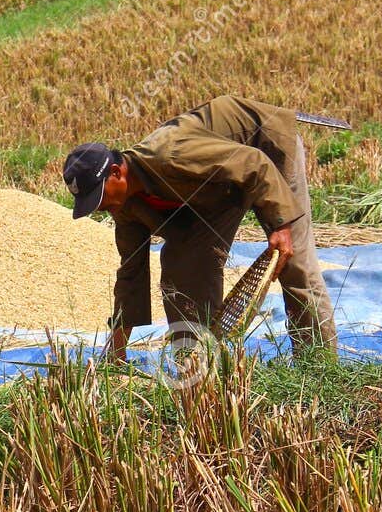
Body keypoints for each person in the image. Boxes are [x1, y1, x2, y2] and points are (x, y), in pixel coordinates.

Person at [62, 95, 337, 363]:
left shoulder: (171, 156)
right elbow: (131, 272)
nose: (100, 207)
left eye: (99, 197)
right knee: (181, 263)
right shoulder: (124, 206)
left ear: (116, 172)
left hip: (263, 148)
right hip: (218, 186)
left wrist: (282, 225)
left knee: (292, 260)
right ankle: (197, 361)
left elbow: (255, 164)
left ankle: (319, 364)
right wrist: (117, 347)